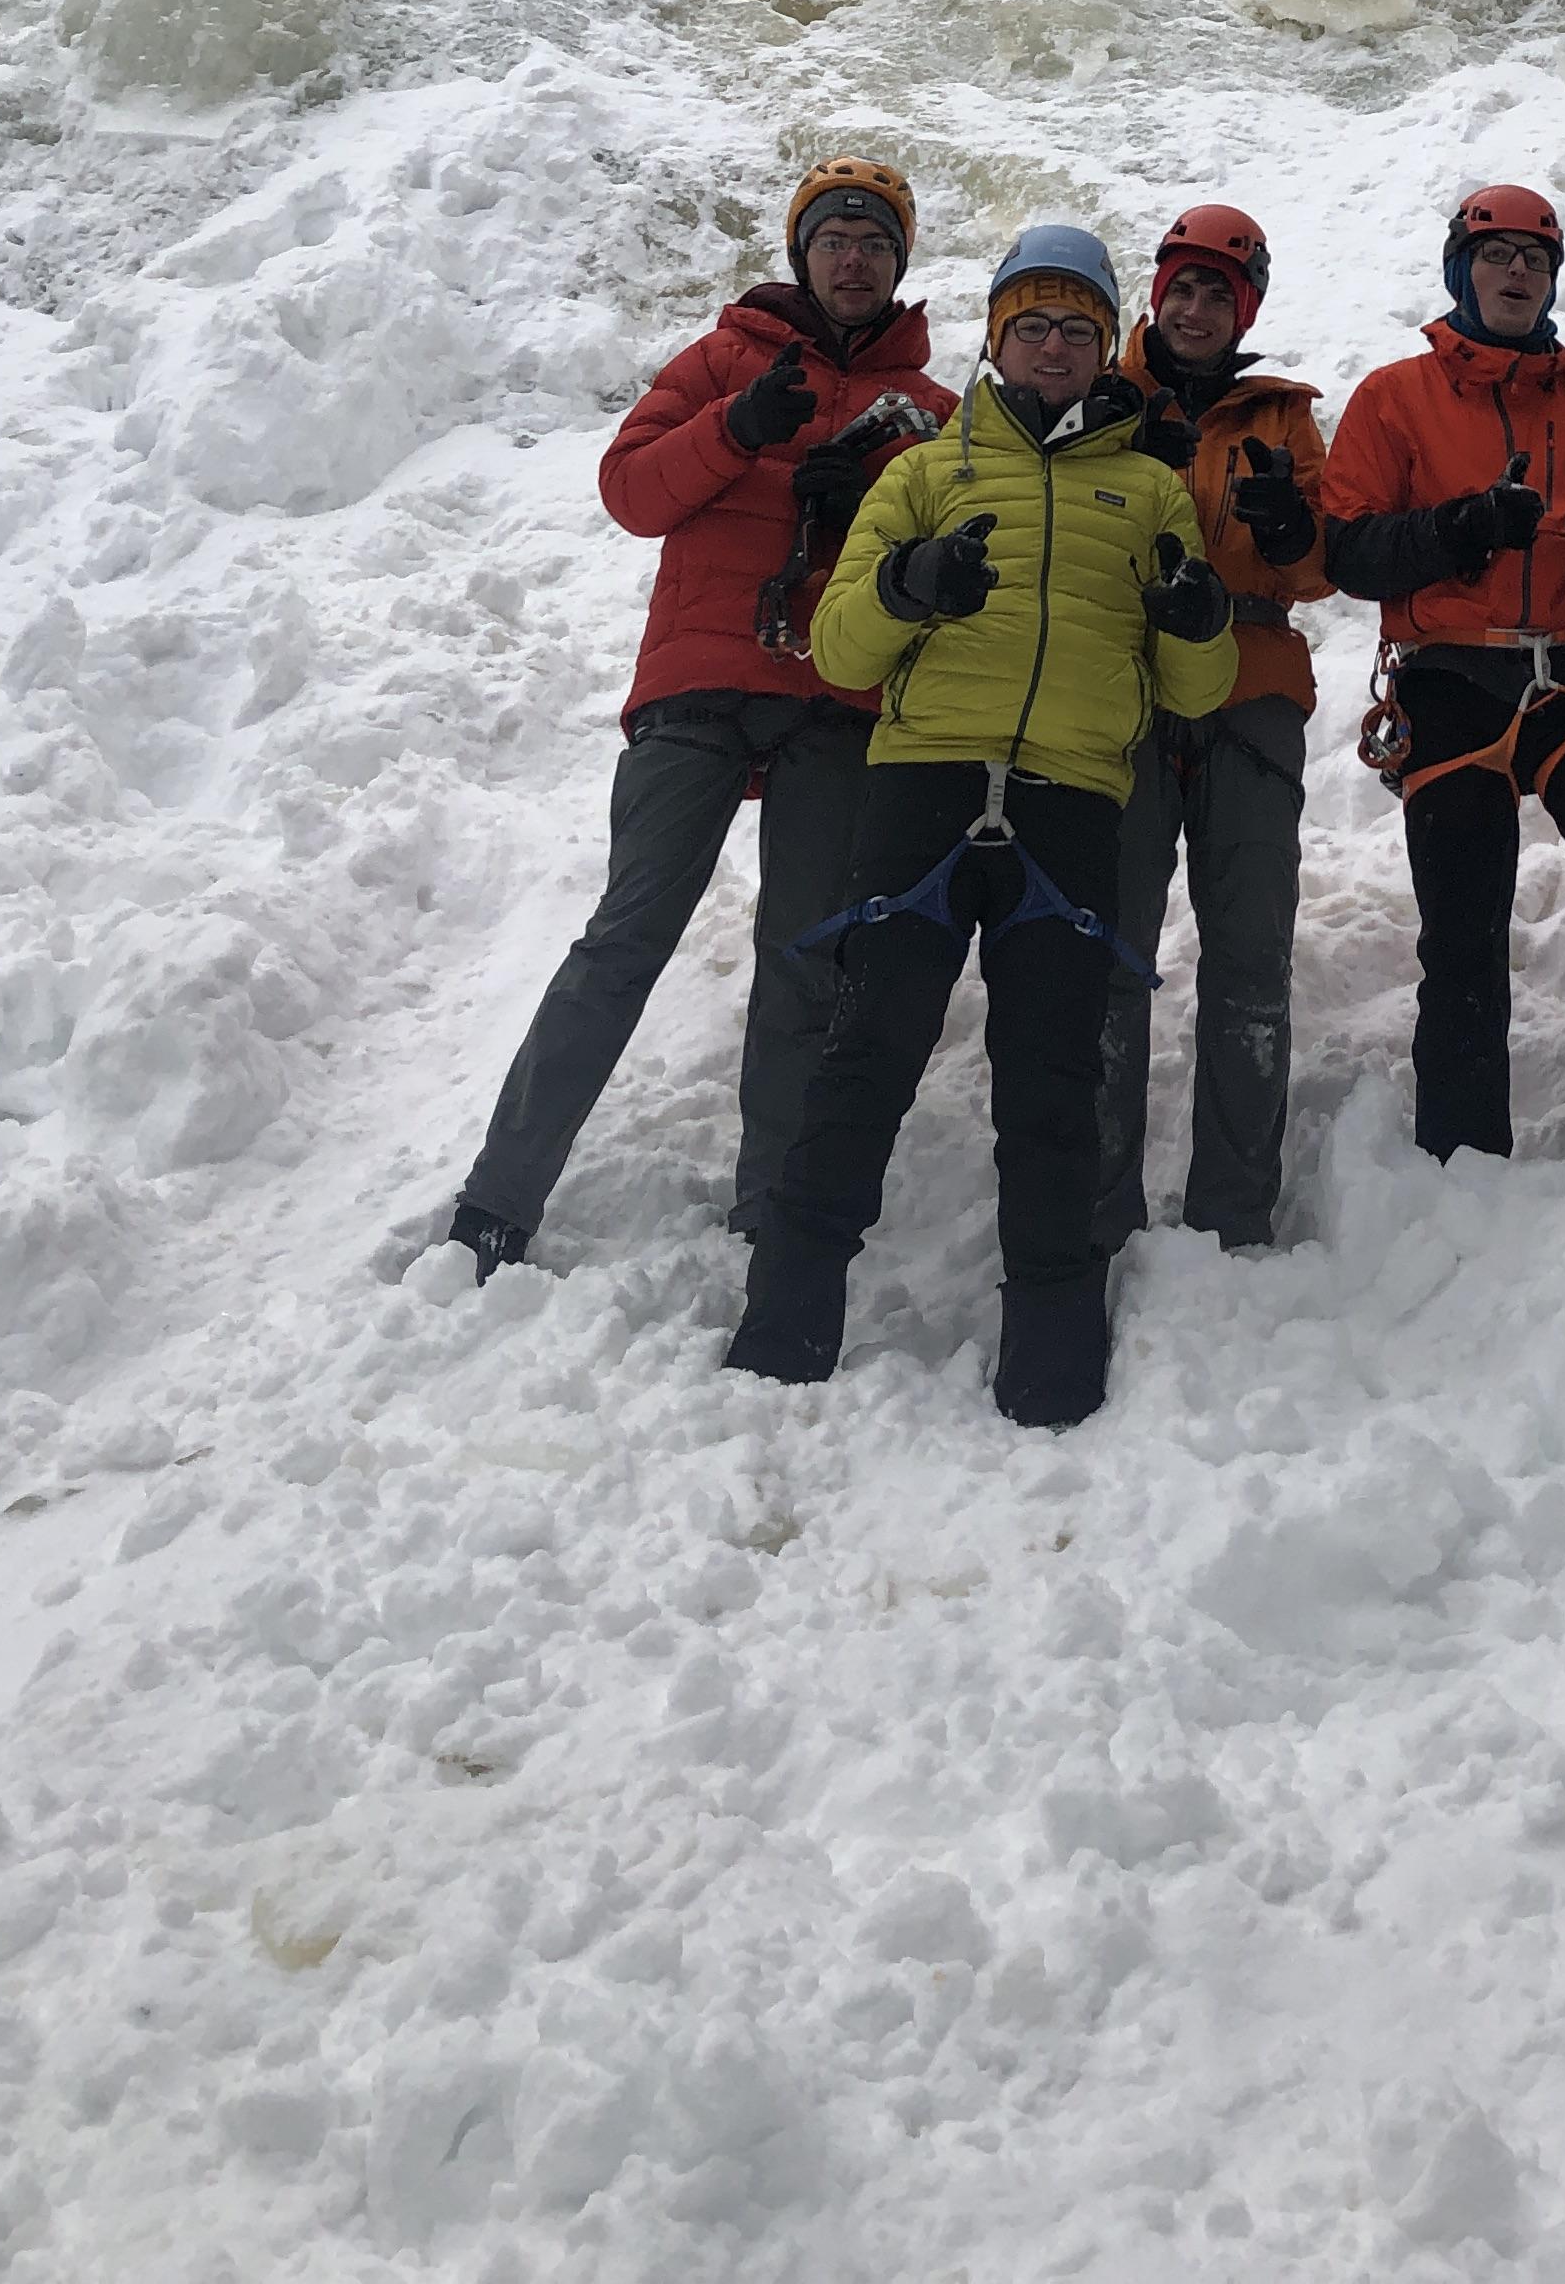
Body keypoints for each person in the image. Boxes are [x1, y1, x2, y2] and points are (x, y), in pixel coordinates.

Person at [723, 224, 1238, 1426]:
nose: (1054, 347)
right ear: (998, 341)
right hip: (922, 789)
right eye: (1031, 326)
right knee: (866, 1058)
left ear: (1108, 347)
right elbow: (843, 648)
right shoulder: (923, 472)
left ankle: (1052, 1365)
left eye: (1076, 328)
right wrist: (909, 589)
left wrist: (1199, 616)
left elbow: (1196, 693)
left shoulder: (1153, 489)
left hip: (1070, 802)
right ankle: (784, 1327)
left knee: (1052, 1082)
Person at [441, 164, 954, 1279]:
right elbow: (631, 492)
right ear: (801, 254)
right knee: (625, 940)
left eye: (874, 241)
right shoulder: (726, 359)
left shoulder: (932, 411)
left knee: (806, 959)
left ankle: (771, 1208)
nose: (853, 257)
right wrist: (736, 427)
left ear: (899, 264)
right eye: (834, 239)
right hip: (702, 688)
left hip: (835, 699)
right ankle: (499, 1197)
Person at [1320, 184, 1565, 1169]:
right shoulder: (1394, 397)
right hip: (1448, 673)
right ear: (1462, 272)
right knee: (1464, 929)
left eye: (1535, 257)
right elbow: (1346, 552)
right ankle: (1463, 1157)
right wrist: (1461, 528)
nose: (1517, 271)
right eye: (1497, 255)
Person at [1095, 206, 1333, 1257]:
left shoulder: (1282, 417)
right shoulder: (1098, 391)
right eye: (1182, 287)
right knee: (1110, 952)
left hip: (1250, 688)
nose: (1194, 309)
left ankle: (1234, 1210)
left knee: (1249, 960)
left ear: (1246, 310)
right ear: (1156, 294)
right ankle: (1098, 1202)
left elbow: (1323, 566)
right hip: (1126, 695)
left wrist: (1289, 531)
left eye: (1218, 294)